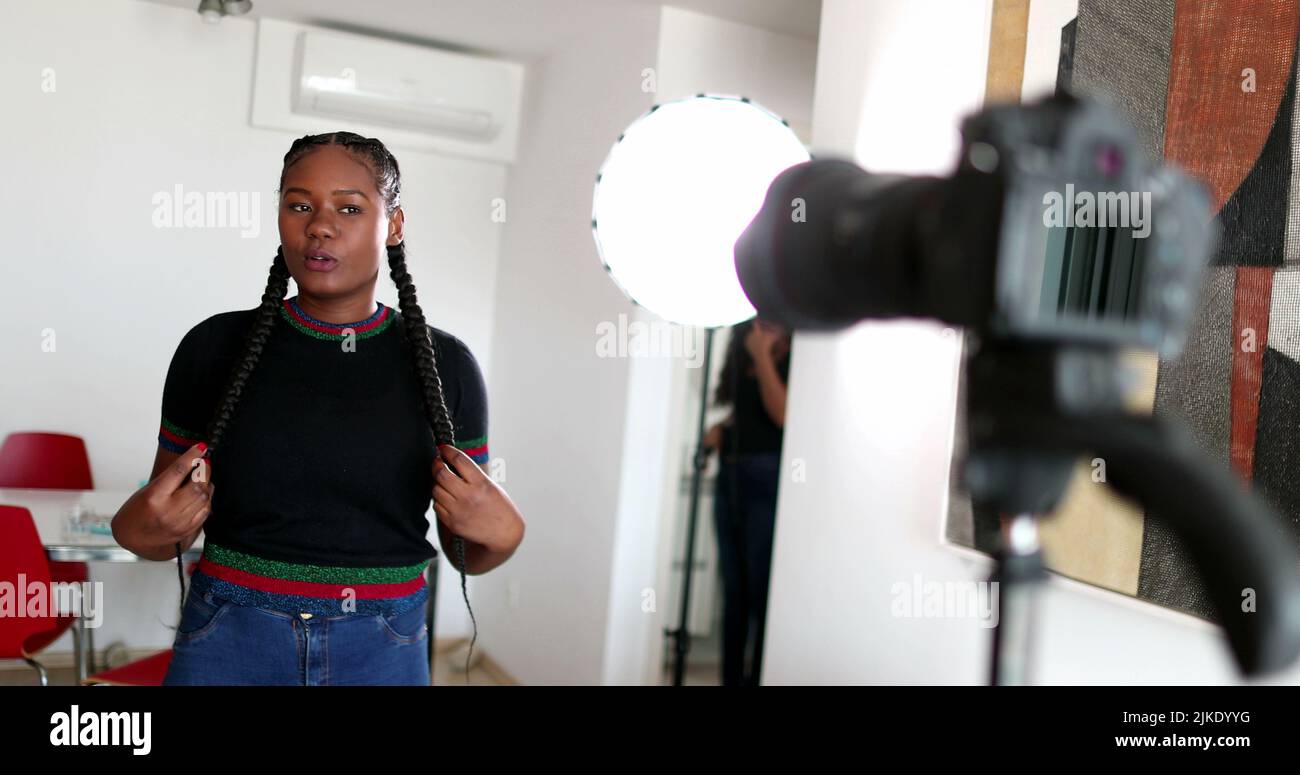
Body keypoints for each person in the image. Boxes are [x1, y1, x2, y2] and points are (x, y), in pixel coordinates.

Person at [111, 132, 525, 685]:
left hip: (383, 650)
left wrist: (505, 535)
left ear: (394, 225)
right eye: (299, 205)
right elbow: (159, 533)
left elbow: (466, 550)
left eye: (349, 208)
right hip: (229, 638)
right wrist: (141, 525)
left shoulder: (447, 364)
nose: (319, 227)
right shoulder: (213, 348)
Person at [703, 317, 791, 686]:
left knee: (760, 591)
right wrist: (722, 429)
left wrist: (762, 356)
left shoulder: (794, 355)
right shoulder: (741, 347)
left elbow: (782, 415)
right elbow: (746, 412)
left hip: (766, 480)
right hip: (731, 475)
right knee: (733, 591)